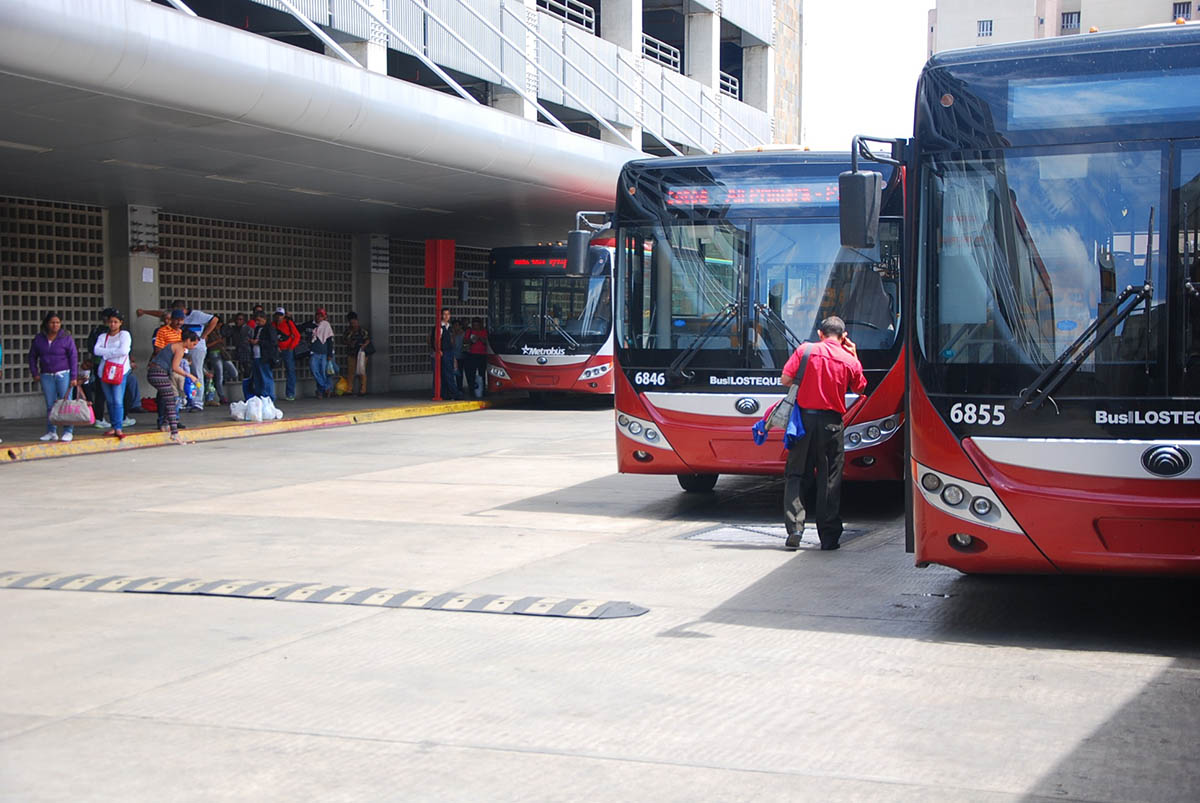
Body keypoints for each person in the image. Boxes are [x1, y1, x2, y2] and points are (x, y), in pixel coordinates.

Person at [780, 316, 867, 551]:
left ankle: (795, 528)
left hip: (803, 422)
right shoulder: (848, 359)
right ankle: (828, 537)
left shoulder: (805, 350)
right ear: (843, 337)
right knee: (829, 479)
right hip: (831, 424)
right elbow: (860, 388)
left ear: (820, 333)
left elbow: (786, 379)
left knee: (796, 473)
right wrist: (854, 355)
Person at [139, 301, 218, 411]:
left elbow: (214, 320)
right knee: (175, 382)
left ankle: (197, 403)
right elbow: (161, 314)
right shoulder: (167, 331)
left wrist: (204, 336)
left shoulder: (196, 315)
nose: (179, 322)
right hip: (178, 355)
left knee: (195, 373)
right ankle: (182, 402)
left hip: (195, 349)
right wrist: (144, 312)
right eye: (176, 319)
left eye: (181, 319)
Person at [28, 311, 81, 442]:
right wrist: (34, 372)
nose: (55, 325)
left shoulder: (66, 337)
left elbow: (73, 357)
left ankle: (68, 431)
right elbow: (32, 356)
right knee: (50, 404)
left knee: (66, 403)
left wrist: (74, 376)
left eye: (57, 322)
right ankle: (51, 431)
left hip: (64, 374)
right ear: (46, 324)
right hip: (46, 375)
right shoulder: (39, 338)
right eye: (52, 322)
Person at [147, 329, 201, 443]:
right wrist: (189, 375)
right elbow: (175, 367)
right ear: (187, 340)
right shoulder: (180, 348)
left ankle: (165, 424)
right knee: (171, 401)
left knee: (167, 399)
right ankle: (174, 432)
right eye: (193, 343)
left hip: (155, 372)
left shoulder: (173, 345)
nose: (193, 347)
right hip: (159, 373)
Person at [92, 309, 133, 440]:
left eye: (115, 322)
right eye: (110, 322)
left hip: (120, 371)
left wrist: (107, 352)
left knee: (117, 400)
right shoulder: (102, 336)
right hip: (104, 371)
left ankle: (119, 427)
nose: (113, 324)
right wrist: (113, 351)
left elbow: (124, 350)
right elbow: (96, 350)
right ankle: (114, 426)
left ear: (121, 323)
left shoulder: (124, 335)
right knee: (109, 400)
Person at [273, 307, 301, 401]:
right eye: (277, 315)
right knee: (269, 369)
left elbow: (297, 336)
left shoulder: (289, 323)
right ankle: (270, 394)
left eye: (281, 315)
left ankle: (290, 394)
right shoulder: (273, 325)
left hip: (288, 350)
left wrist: (291, 347)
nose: (279, 317)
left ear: (284, 316)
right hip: (277, 350)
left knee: (290, 371)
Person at [249, 310, 278, 401]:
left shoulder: (270, 328)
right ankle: (259, 396)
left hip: (265, 356)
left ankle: (268, 397)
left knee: (266, 377)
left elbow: (273, 342)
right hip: (256, 355)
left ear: (264, 319)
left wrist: (259, 342)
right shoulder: (257, 328)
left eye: (259, 320)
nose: (257, 322)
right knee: (258, 378)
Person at [307, 308, 335, 398]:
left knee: (323, 372)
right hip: (314, 352)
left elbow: (330, 341)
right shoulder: (312, 325)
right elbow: (300, 328)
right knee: (314, 370)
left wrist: (329, 354)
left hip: (324, 353)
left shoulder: (326, 325)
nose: (319, 317)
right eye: (318, 315)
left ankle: (321, 391)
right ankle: (326, 387)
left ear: (324, 317)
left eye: (321, 315)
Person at [342, 311, 371, 397]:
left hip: (362, 353)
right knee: (351, 371)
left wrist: (364, 345)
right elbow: (344, 340)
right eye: (351, 322)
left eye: (354, 322)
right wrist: (350, 343)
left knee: (362, 371)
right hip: (351, 353)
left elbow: (368, 339)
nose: (353, 324)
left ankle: (363, 390)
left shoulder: (362, 331)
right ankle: (349, 389)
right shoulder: (347, 331)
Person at [463, 317, 488, 399]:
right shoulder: (469, 331)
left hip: (482, 354)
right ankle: (472, 389)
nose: (476, 327)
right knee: (471, 373)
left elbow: (487, 341)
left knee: (482, 373)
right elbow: (465, 341)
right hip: (472, 354)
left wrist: (480, 338)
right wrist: (471, 340)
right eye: (474, 325)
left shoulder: (484, 331)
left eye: (477, 325)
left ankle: (482, 390)